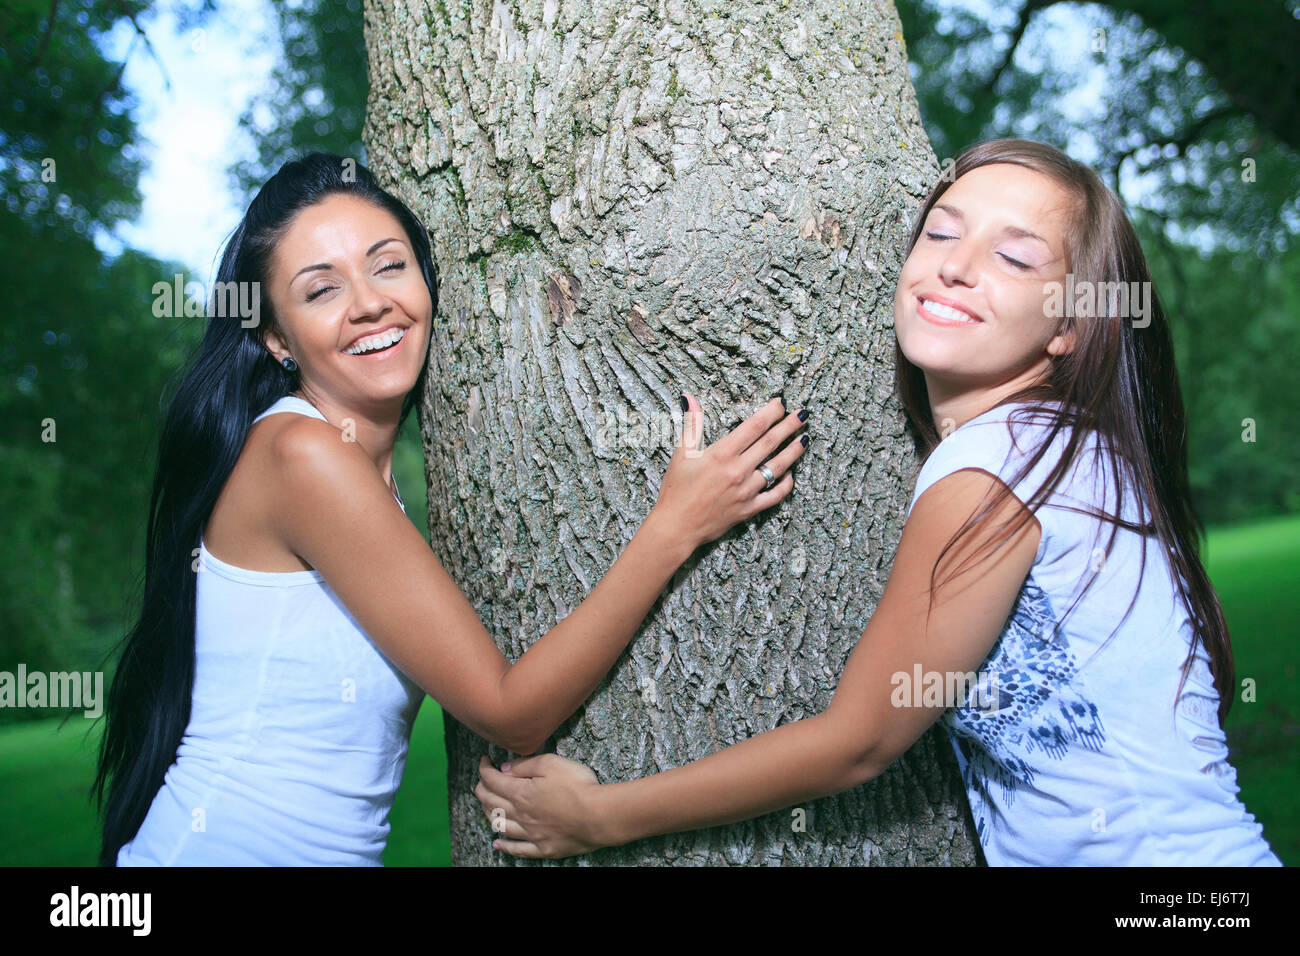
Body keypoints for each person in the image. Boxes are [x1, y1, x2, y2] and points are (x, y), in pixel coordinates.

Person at [474, 139, 1283, 866]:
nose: (957, 265)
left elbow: (859, 742)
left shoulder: (992, 466)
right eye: (940, 231)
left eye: (1014, 257)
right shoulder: (1070, 445)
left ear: (1070, 322)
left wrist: (601, 816)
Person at [95, 152, 808, 866]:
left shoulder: (347, 466)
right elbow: (512, 712)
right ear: (276, 338)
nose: (370, 302)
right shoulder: (301, 455)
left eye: (387, 265)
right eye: (321, 291)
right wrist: (675, 526)